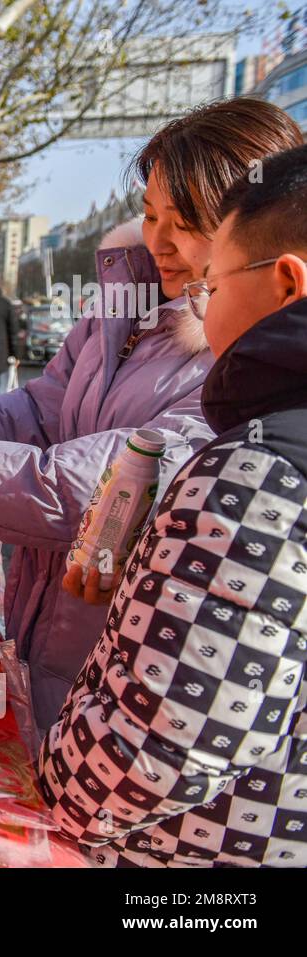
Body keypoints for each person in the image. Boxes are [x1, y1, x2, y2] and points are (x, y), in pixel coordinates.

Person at [0, 97, 303, 728]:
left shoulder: (240, 344)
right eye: (149, 214)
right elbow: (44, 407)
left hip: (127, 658)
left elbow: (125, 477)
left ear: (249, 226)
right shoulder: (122, 304)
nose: (159, 241)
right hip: (46, 601)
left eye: (184, 222)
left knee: (79, 781)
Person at [39, 143, 307, 868]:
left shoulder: (260, 473)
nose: (198, 293)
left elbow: (141, 759)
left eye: (214, 282)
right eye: (149, 215)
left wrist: (56, 768)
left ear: (286, 284)